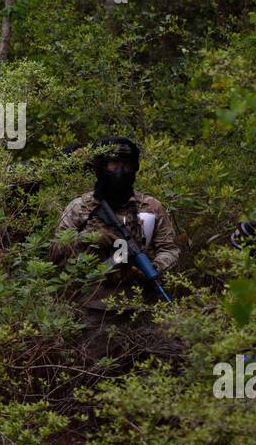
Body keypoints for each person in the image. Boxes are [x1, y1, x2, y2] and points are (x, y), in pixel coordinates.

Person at [49, 136, 181, 368]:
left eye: (126, 165)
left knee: (158, 369)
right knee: (96, 375)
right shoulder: (81, 207)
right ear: (101, 166)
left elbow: (170, 249)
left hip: (143, 306)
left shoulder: (151, 207)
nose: (120, 171)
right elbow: (55, 253)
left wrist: (154, 268)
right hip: (95, 311)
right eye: (113, 164)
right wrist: (87, 240)